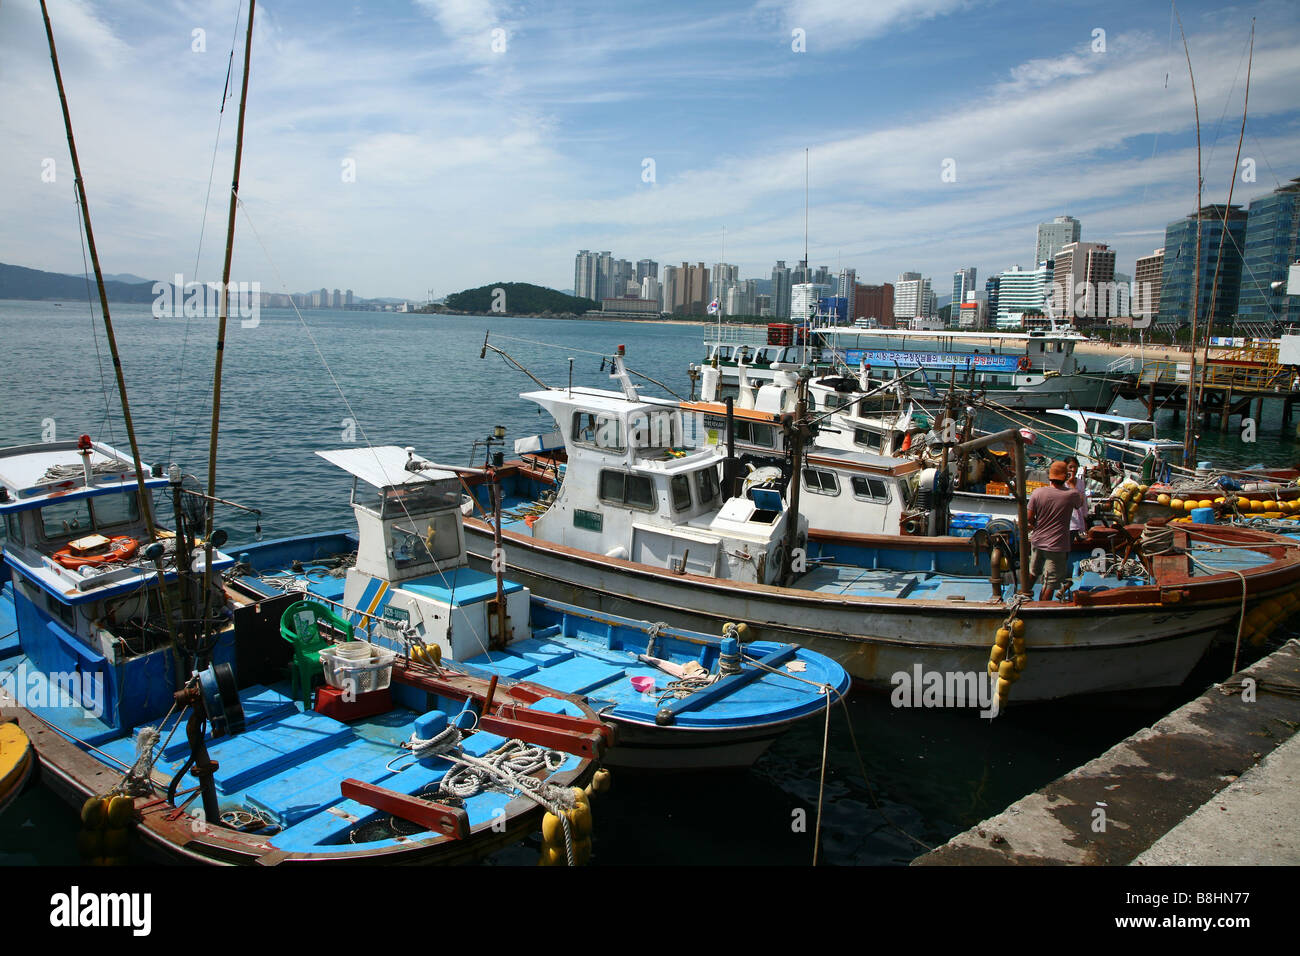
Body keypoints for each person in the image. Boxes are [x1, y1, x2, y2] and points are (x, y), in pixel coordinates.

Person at [1026, 460, 1085, 601]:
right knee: (1050, 582)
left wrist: (1037, 527)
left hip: (1038, 541)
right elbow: (1080, 502)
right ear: (1065, 476)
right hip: (1057, 545)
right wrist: (1071, 484)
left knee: (1033, 572)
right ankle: (1042, 609)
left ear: (1049, 476)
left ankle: (1023, 597)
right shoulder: (1071, 494)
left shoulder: (1038, 492)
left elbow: (1029, 517)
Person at [1065, 455, 1088, 543]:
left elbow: (1083, 501)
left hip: (1078, 518)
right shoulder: (1062, 483)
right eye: (1070, 467)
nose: (1073, 470)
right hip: (1068, 520)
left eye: (1075, 467)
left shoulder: (1080, 482)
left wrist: (1085, 516)